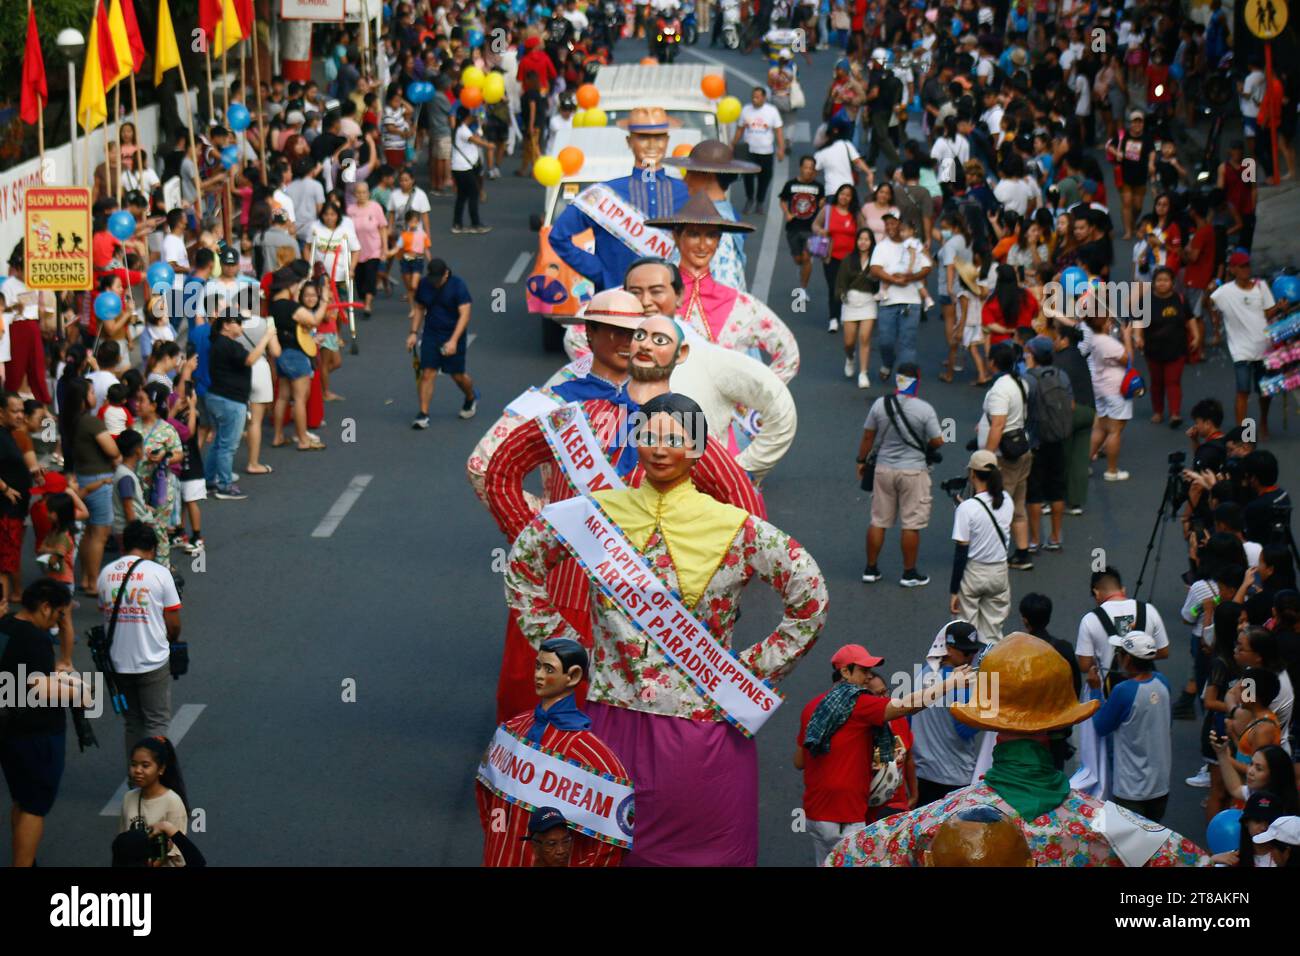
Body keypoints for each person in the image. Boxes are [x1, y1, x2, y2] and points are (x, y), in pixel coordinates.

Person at [505, 393, 827, 865]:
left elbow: (810, 598)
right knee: (602, 852)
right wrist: (569, 652)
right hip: (606, 727)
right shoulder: (593, 514)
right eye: (649, 436)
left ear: (698, 448)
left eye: (675, 438)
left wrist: (742, 672)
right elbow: (523, 564)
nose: (659, 448)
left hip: (703, 738)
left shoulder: (738, 528)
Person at [476, 299, 763, 720]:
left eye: (643, 335)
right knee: (536, 716)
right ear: (587, 334)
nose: (630, 342)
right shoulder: (572, 410)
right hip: (564, 594)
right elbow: (496, 468)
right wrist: (536, 544)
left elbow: (747, 515)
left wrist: (702, 587)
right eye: (628, 334)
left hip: (642, 606)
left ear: (678, 354)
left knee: (622, 732)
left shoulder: (688, 429)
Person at [827, 633, 1209, 867]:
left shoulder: (936, 821)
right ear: (1060, 722)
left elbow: (845, 858)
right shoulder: (1108, 825)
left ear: (987, 720)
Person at [795, 643, 971, 864]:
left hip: (815, 814)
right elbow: (908, 705)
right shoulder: (858, 704)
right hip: (845, 817)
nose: (868, 677)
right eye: (863, 671)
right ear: (845, 672)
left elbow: (799, 761)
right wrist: (948, 684)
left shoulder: (812, 707)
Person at [475, 638, 630, 867]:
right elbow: (486, 793)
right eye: (537, 666)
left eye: (548, 669)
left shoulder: (594, 758)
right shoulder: (512, 730)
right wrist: (499, 840)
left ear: (574, 676)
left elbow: (613, 839)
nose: (538, 675)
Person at [548, 107, 689, 292]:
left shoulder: (686, 192)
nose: (652, 144)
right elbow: (558, 236)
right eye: (643, 137)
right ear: (629, 141)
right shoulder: (604, 192)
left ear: (668, 141)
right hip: (617, 301)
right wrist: (601, 273)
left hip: (670, 303)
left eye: (659, 137)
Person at [0, 579, 86, 866]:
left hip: (9, 731)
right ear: (46, 607)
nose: (59, 620)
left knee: (22, 800)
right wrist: (80, 692)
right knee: (35, 807)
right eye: (59, 614)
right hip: (36, 735)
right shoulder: (34, 638)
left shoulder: (8, 625)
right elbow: (39, 687)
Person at [98, 521, 184, 757]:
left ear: (124, 545)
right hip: (152, 659)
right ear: (152, 549)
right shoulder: (160, 574)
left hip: (118, 661)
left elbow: (103, 612)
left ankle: (135, 775)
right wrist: (170, 639)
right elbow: (173, 622)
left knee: (133, 722)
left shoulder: (106, 574)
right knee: (156, 721)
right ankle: (154, 776)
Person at [857, 364, 943, 587]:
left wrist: (860, 461)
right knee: (911, 524)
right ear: (917, 380)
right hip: (914, 471)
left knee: (878, 520)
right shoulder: (925, 409)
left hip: (884, 469)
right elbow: (937, 441)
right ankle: (909, 573)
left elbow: (868, 436)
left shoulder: (880, 404)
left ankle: (871, 568)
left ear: (898, 380)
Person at [1091, 631, 1172, 822]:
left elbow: (1101, 726)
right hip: (1160, 786)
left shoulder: (1123, 691)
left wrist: (1095, 691)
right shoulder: (1163, 682)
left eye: (1119, 653)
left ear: (1127, 659)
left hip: (1131, 789)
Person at [1209, 252, 1287, 439]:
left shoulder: (1261, 287)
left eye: (1247, 266)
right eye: (1242, 266)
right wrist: (1217, 325)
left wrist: (1279, 308)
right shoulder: (1225, 291)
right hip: (1241, 351)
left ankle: (1263, 423)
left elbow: (1268, 313)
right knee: (1242, 390)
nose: (1246, 270)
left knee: (1264, 391)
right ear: (1233, 269)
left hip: (1264, 348)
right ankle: (1242, 433)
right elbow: (1209, 302)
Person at [661, 140, 757, 292]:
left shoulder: (714, 222)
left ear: (708, 175)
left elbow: (724, 285)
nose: (686, 180)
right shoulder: (727, 213)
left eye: (691, 173)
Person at [59, 377, 120, 596]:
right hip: (100, 479)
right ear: (83, 399)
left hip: (82, 477)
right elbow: (112, 450)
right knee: (99, 534)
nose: (95, 396)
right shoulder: (91, 422)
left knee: (87, 533)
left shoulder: (69, 421)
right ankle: (93, 582)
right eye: (92, 393)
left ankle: (85, 577)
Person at [205, 315, 275, 500]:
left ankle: (210, 480)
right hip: (230, 401)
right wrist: (266, 338)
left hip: (216, 397)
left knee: (219, 442)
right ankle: (225, 486)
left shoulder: (219, 343)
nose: (242, 326)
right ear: (226, 326)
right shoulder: (228, 345)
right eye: (238, 322)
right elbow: (250, 359)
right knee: (228, 446)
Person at [979, 341, 1034, 568]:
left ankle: (992, 554)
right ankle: (1022, 553)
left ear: (992, 362)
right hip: (1022, 449)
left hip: (1004, 455)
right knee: (1018, 506)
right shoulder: (1020, 382)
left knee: (996, 505)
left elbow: (998, 424)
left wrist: (987, 457)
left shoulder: (1000, 389)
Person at [950, 450, 1014, 639]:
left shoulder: (966, 508)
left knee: (966, 634)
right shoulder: (1007, 500)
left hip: (974, 573)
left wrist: (954, 591)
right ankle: (990, 666)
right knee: (993, 633)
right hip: (999, 572)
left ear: (972, 473)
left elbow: (961, 552)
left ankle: (969, 668)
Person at [408, 259, 478, 428]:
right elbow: (419, 308)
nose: (435, 283)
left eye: (438, 279)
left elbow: (465, 315)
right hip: (431, 334)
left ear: (446, 274)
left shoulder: (458, 286)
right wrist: (413, 333)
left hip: (453, 334)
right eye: (433, 279)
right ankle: (423, 414)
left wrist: (453, 340)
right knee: (427, 373)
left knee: (457, 375)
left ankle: (470, 397)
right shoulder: (425, 285)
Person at [1019, 592, 1082, 771]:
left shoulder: (1019, 650)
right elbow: (1075, 687)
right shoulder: (1064, 648)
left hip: (1027, 731)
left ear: (1025, 620)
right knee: (1054, 778)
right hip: (1057, 729)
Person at [268, 265, 327, 452]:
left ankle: (278, 436)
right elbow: (313, 320)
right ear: (289, 285)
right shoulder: (290, 306)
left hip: (281, 353)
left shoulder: (274, 305)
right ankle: (303, 439)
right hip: (296, 353)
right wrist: (324, 300)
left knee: (283, 397)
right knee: (300, 398)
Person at [1022, 336, 1071, 552]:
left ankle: (1034, 539)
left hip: (1035, 441)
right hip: (1058, 439)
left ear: (1034, 355)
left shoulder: (1028, 379)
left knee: (1034, 493)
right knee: (1057, 490)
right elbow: (1070, 404)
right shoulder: (1062, 376)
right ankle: (1055, 536)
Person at [870, 213, 931, 381]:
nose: (890, 228)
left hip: (911, 302)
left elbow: (927, 267)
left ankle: (906, 381)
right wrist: (894, 279)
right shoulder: (882, 246)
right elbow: (875, 269)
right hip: (888, 301)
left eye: (893, 224)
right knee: (885, 341)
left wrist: (909, 278)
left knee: (907, 344)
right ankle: (888, 362)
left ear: (901, 225)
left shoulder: (915, 245)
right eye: (887, 224)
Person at [1139, 266, 1197, 427]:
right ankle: (1158, 411)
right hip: (1153, 349)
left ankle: (1174, 413)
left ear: (1172, 282)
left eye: (1166, 280)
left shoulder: (1180, 299)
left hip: (1176, 348)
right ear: (1154, 283)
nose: (1162, 283)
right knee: (1157, 382)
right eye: (1159, 280)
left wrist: (1197, 336)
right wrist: (1138, 337)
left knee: (1173, 381)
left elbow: (1190, 318)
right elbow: (1138, 322)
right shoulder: (1146, 301)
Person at [119, 736, 190, 867]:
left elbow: (175, 852)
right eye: (134, 765)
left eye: (145, 765)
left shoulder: (172, 802)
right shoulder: (128, 798)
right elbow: (123, 841)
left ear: (161, 769)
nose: (138, 771)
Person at [812, 184, 863, 334]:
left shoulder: (856, 214)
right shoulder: (828, 210)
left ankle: (844, 312)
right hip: (831, 257)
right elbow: (815, 224)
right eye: (842, 194)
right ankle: (833, 318)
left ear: (852, 198)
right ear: (837, 195)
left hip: (850, 258)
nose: (844, 197)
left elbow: (863, 231)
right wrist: (821, 231)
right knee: (834, 287)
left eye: (848, 195)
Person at [836, 227, 880, 387]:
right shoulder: (848, 259)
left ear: (871, 242)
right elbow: (840, 283)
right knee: (849, 342)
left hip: (868, 302)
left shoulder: (876, 260)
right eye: (860, 239)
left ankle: (863, 373)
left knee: (865, 337)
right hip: (851, 303)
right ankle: (850, 358)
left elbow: (881, 280)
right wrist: (841, 295)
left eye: (867, 239)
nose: (863, 242)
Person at [733, 87, 785, 214]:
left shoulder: (772, 111)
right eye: (753, 96)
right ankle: (750, 198)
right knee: (748, 176)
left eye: (757, 97)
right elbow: (740, 129)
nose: (754, 99)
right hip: (749, 150)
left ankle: (760, 201)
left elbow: (778, 130)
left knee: (765, 178)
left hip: (766, 151)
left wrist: (781, 148)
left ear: (764, 97)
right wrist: (732, 143)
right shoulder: (746, 110)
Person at [778, 155, 825, 295]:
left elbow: (822, 204)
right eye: (806, 167)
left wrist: (821, 218)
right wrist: (787, 213)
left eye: (811, 168)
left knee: (806, 257)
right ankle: (802, 267)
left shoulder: (818, 187)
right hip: (794, 227)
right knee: (798, 258)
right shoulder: (790, 185)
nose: (808, 171)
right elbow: (783, 200)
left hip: (811, 228)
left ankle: (803, 289)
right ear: (800, 168)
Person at [451, 109, 493, 235]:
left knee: (462, 196)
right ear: (467, 116)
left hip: (461, 167)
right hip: (464, 168)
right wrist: (488, 146)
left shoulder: (463, 128)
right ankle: (475, 223)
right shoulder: (462, 130)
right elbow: (475, 140)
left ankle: (457, 224)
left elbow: (475, 137)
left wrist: (480, 124)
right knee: (473, 194)